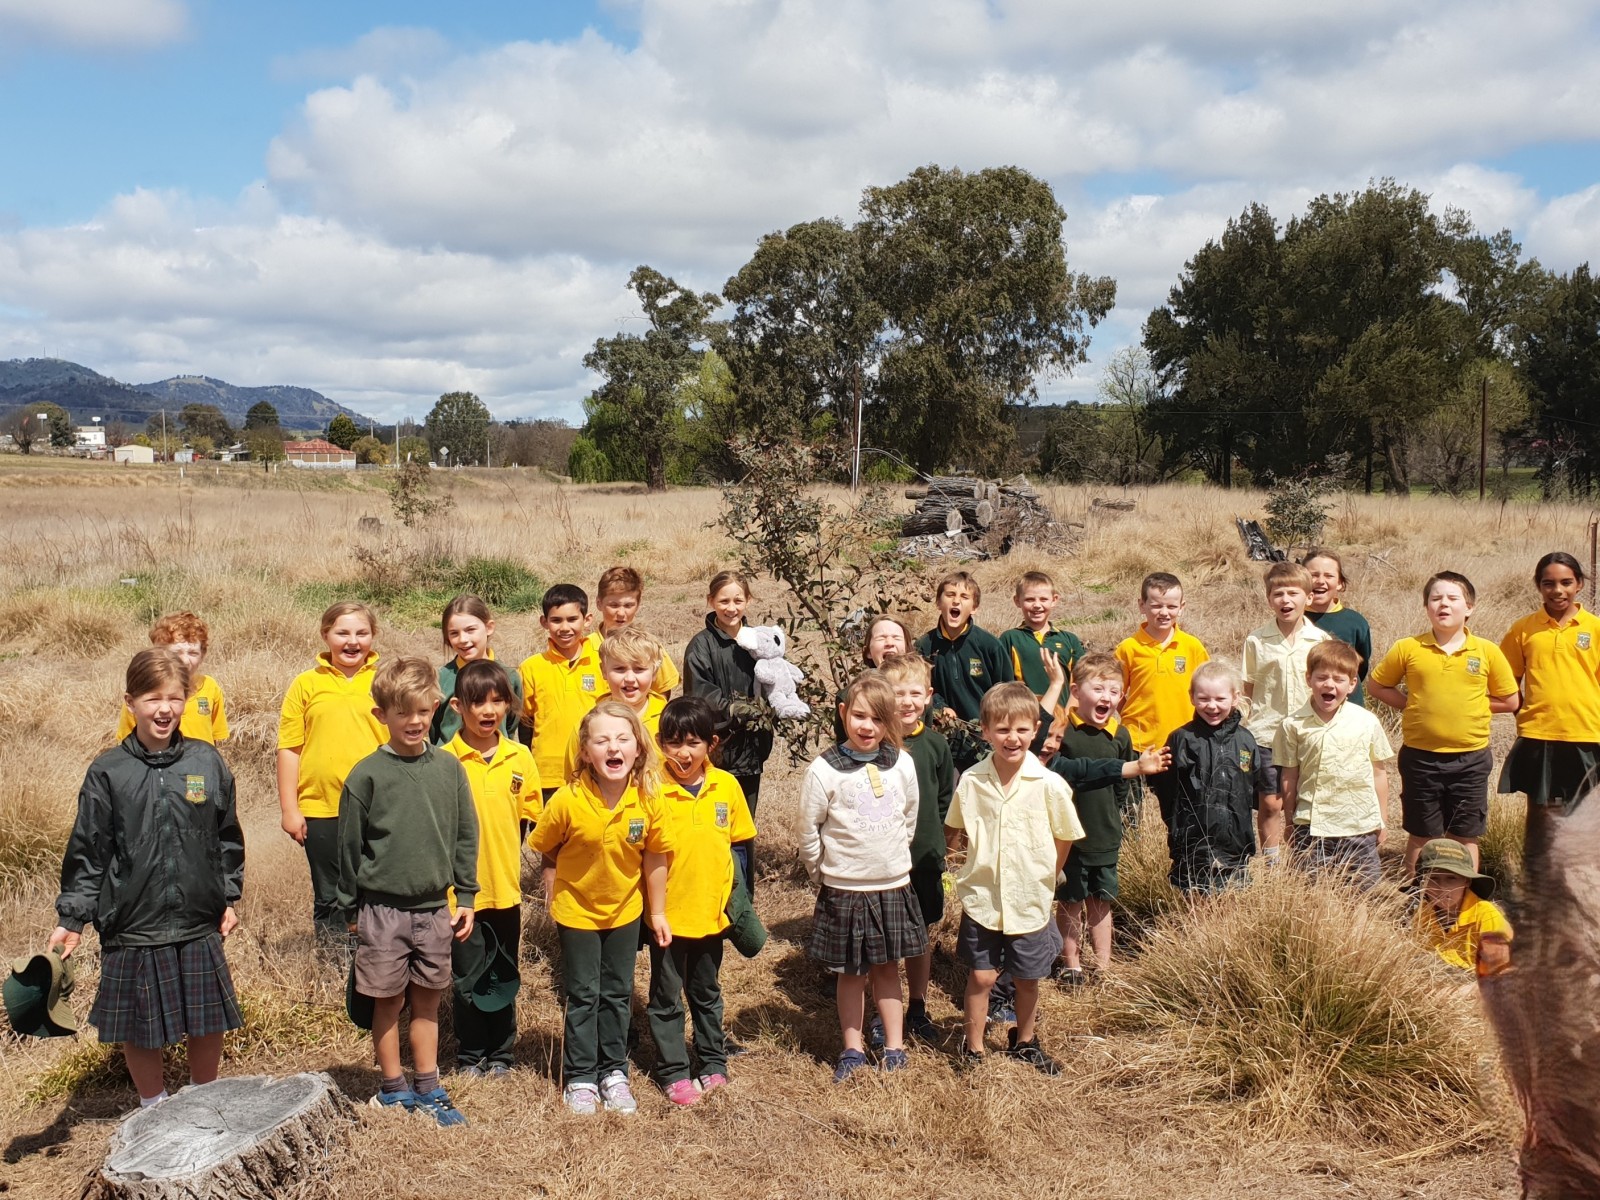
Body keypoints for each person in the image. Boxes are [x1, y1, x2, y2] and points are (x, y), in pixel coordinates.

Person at [52, 648, 244, 1110]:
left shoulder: (206, 762)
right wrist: (72, 919)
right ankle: (152, 1106)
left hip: (199, 914)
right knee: (141, 1023)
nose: (165, 709)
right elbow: (89, 851)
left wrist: (229, 896)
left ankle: (204, 1098)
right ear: (130, 701)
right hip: (132, 919)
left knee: (206, 1018)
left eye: (175, 698)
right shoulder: (107, 771)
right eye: (153, 698)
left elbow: (227, 837)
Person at [338, 656, 479, 1127]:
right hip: (381, 909)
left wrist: (469, 897)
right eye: (403, 713)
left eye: (423, 712)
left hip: (435, 908)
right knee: (387, 1000)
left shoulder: (450, 769)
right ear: (381, 715)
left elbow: (465, 836)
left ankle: (428, 1084)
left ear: (436, 707)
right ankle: (393, 1087)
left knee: (428, 999)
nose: (414, 722)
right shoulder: (367, 774)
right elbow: (349, 846)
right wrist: (350, 908)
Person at [527, 702, 673, 1115]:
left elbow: (655, 858)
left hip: (626, 911)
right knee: (584, 993)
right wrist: (553, 892)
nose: (613, 747)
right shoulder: (568, 801)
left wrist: (657, 913)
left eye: (623, 739)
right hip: (577, 913)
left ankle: (614, 1072)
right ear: (585, 751)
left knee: (617, 993)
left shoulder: (648, 800)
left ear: (639, 750)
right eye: (602, 740)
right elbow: (545, 846)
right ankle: (580, 1077)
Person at [945, 682, 1084, 1073]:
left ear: (1036, 728)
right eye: (1002, 729)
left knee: (1027, 978)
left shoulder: (1049, 784)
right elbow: (954, 829)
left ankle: (1024, 1040)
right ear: (985, 731)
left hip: (1029, 898)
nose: (1013, 738)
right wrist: (955, 864)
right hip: (983, 898)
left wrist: (1048, 875)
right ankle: (973, 1049)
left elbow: (1064, 836)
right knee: (982, 975)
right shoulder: (972, 780)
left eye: (1022, 729)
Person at [798, 672, 925, 1083]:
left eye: (877, 719)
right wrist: (823, 871)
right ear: (843, 714)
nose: (867, 727)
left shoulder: (902, 763)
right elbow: (808, 828)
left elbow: (909, 816)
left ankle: (894, 1047)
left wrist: (892, 859)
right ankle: (852, 1049)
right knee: (850, 974)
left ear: (891, 723)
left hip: (891, 885)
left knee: (888, 970)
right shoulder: (825, 769)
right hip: (845, 888)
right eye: (858, 716)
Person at [1369, 571, 1520, 878]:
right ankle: (1417, 898)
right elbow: (1376, 686)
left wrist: (1473, 705)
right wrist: (1411, 704)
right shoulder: (1408, 648)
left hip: (1471, 759)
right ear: (1426, 607)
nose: (1444, 605)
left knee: (1465, 835)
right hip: (1420, 758)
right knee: (1422, 834)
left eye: (1453, 599)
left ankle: (1467, 901)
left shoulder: (1486, 650)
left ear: (1469, 607)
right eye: (1436, 598)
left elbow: (1510, 700)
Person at [649, 696, 756, 1105]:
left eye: (693, 743)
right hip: (668, 918)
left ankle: (712, 1063)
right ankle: (674, 1071)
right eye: (674, 743)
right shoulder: (653, 788)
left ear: (711, 744)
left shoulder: (725, 787)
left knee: (707, 991)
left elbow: (740, 849)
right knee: (666, 995)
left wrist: (740, 905)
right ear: (660, 744)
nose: (683, 752)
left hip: (712, 915)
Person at [440, 659, 540, 1077]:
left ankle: (501, 1053)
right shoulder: (443, 761)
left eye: (498, 701)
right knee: (466, 977)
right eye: (478, 701)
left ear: (509, 706)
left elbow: (530, 817)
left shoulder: (520, 757)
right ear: (457, 707)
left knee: (502, 972)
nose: (488, 710)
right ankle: (470, 1053)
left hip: (505, 889)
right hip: (458, 897)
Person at [277, 601, 386, 947]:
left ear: (373, 636)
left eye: (361, 633)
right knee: (330, 893)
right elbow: (289, 748)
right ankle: (335, 969)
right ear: (326, 636)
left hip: (381, 806)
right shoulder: (306, 684)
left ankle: (377, 964)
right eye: (342, 633)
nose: (352, 641)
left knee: (378, 890)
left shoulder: (385, 680)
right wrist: (290, 809)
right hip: (322, 807)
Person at [1498, 551, 1600, 860]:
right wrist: (1526, 713)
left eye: (1566, 582)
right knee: (1542, 811)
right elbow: (1505, 682)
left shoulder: (1595, 629)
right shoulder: (1524, 630)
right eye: (1549, 583)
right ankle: (1538, 881)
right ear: (1539, 586)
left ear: (1579, 584)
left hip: (1586, 734)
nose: (1558, 591)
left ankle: (1580, 883)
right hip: (1539, 735)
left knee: (1584, 813)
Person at [875, 653, 955, 1043]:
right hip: (884, 859)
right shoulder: (877, 745)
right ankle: (882, 1007)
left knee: (920, 933)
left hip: (923, 856)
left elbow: (943, 800)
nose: (906, 701)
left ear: (928, 697)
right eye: (897, 693)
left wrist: (937, 844)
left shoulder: (937, 745)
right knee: (887, 935)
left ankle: (918, 1005)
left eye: (914, 693)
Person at [1274, 640, 1394, 889]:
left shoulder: (1366, 721)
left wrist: (1381, 819)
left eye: (1339, 679)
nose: (1329, 684)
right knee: (1310, 893)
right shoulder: (1292, 725)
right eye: (1322, 677)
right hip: (1311, 827)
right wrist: (1289, 821)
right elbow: (1290, 776)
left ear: (1352, 685)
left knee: (1361, 893)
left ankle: (1357, 929)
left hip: (1359, 826)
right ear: (1309, 679)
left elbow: (1378, 774)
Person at [1151, 661, 1274, 895]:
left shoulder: (1246, 741)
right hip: (1192, 844)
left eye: (1220, 699)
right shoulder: (1181, 739)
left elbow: (1251, 788)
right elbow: (1166, 792)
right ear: (1192, 697)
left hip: (1235, 844)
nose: (1212, 706)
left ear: (1235, 697)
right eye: (1204, 698)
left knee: (1230, 904)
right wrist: (1178, 829)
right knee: (1196, 904)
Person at [1049, 654, 1136, 982]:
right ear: (1076, 691)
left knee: (1101, 901)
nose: (1106, 697)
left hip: (1105, 835)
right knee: (1071, 901)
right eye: (1098, 689)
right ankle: (1070, 963)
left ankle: (1103, 965)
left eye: (1114, 691)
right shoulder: (1063, 731)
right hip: (1068, 837)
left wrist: (1118, 819)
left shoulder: (1121, 735)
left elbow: (1122, 786)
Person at [1242, 561, 1328, 861]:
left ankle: (1304, 859)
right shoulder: (1256, 640)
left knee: (1303, 801)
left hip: (1308, 732)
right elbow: (1248, 687)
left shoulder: (1320, 641)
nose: (1285, 600)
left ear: (1309, 597)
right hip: (1267, 734)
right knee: (1271, 802)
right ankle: (1272, 862)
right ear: (1268, 599)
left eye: (1293, 593)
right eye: (1278, 593)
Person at [683, 571, 774, 816]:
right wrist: (736, 710)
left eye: (738, 601)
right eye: (724, 601)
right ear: (710, 601)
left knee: (745, 820)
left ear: (748, 601)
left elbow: (774, 677)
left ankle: (746, 856)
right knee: (716, 817)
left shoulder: (760, 642)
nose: (731, 608)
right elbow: (699, 693)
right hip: (718, 747)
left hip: (753, 746)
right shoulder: (701, 645)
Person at [915, 570, 1015, 770]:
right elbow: (920, 688)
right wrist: (940, 707)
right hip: (943, 739)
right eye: (950, 595)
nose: (956, 602)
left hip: (984, 738)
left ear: (974, 607)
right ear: (938, 603)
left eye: (964, 597)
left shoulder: (989, 645)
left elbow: (1007, 692)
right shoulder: (924, 646)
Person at [518, 583, 602, 802]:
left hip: (594, 769)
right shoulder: (531, 667)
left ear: (588, 619)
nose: (565, 628)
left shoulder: (603, 662)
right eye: (556, 620)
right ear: (544, 622)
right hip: (547, 776)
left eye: (572, 619)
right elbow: (525, 722)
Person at [1115, 571, 1210, 755]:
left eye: (1171, 606)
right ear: (1142, 605)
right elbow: (1115, 692)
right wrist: (1129, 715)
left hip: (1185, 740)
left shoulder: (1192, 646)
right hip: (1139, 743)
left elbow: (1208, 689)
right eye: (1156, 606)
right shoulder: (1128, 648)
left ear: (1181, 607)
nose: (1164, 613)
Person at [114, 612, 228, 745]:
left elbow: (216, 738)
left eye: (193, 653)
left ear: (202, 655)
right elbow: (126, 741)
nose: (185, 660)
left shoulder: (210, 687)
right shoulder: (143, 692)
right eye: (176, 653)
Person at [431, 594, 523, 745]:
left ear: (489, 628)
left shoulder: (509, 676)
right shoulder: (441, 679)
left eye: (470, 630)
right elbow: (433, 729)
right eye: (454, 633)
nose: (463, 639)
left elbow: (511, 725)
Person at [1414, 838, 1513, 975]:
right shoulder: (1424, 914)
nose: (1442, 888)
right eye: (1434, 878)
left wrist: (1460, 991)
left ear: (1466, 880)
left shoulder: (1486, 917)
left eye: (1451, 879)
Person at [1302, 549, 1374, 708]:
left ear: (1340, 583)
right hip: (1304, 705)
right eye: (1313, 575)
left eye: (1329, 576)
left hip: (1348, 706)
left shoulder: (1355, 622)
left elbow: (1361, 666)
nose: (1320, 581)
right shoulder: (1294, 621)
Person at [999, 571, 1085, 703]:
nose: (1037, 605)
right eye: (1030, 599)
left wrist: (1068, 717)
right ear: (1017, 601)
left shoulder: (1069, 639)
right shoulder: (1010, 638)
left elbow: (1081, 681)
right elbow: (1003, 685)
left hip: (1063, 719)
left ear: (1054, 600)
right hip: (1026, 717)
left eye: (1043, 599)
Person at [596, 565, 680, 696]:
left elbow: (663, 691)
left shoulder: (649, 646)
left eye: (629, 605)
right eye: (614, 605)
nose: (621, 613)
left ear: (638, 604)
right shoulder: (585, 647)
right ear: (599, 603)